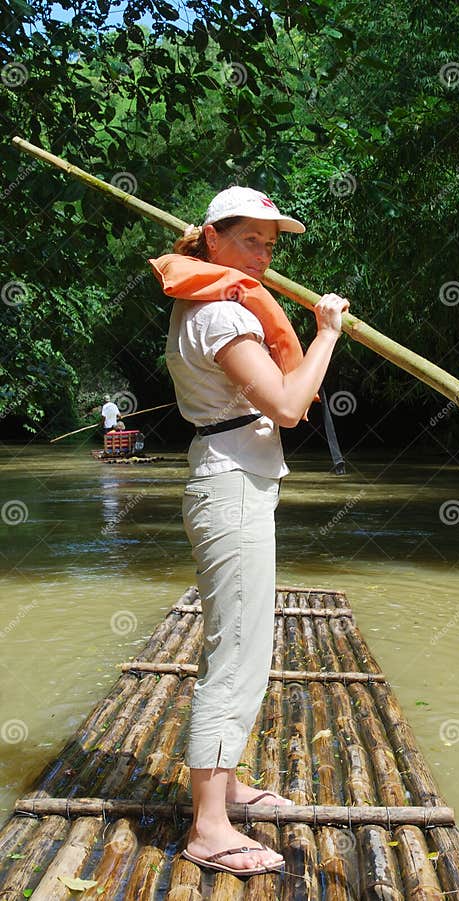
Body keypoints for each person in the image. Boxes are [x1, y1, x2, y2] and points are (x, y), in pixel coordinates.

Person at [150, 186, 349, 876]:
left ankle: (224, 781)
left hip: (235, 479)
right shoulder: (217, 315)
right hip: (230, 488)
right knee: (236, 653)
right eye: (249, 241)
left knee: (238, 644)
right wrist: (326, 331)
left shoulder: (217, 303)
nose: (263, 255)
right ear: (211, 240)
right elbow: (290, 407)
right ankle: (209, 825)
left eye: (270, 243)